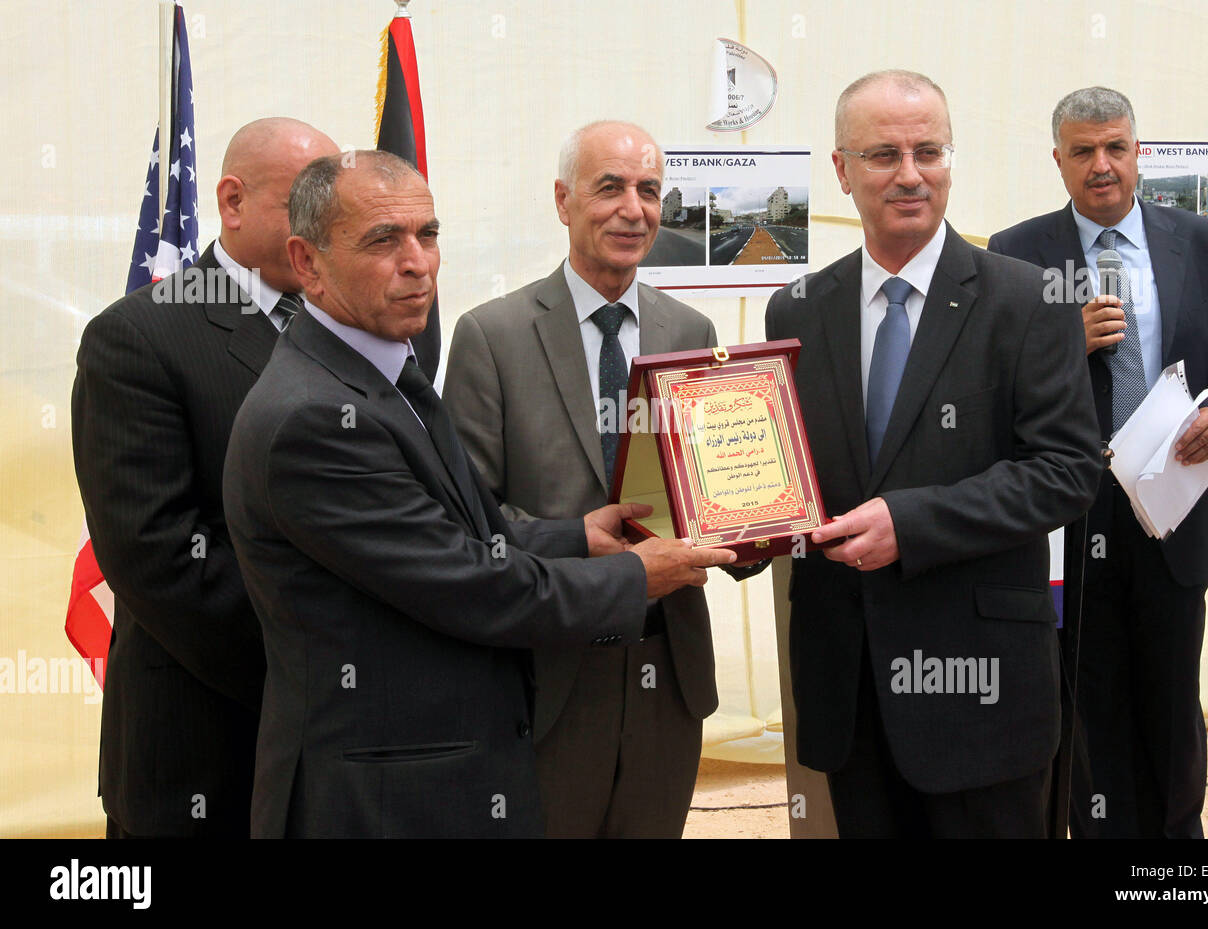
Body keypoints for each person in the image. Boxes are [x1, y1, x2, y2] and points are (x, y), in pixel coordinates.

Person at [222, 150, 735, 838]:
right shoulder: (316, 417)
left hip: (438, 771)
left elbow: (460, 528)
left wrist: (575, 536)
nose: (418, 262)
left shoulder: (382, 371)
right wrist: (632, 577)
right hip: (380, 796)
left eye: (427, 235)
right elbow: (470, 582)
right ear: (307, 261)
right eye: (383, 240)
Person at [765, 70, 1102, 838]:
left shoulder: (1029, 300)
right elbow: (787, 477)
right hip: (847, 692)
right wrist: (738, 524)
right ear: (841, 169)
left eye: (930, 151)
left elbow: (1067, 469)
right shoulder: (798, 309)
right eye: (884, 154)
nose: (911, 174)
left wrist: (911, 524)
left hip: (982, 698)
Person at [444, 121, 756, 838]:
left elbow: (713, 487)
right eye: (609, 187)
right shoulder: (491, 335)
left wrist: (756, 525)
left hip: (666, 669)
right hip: (547, 672)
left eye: (649, 191)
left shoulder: (691, 328)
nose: (633, 208)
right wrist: (581, 552)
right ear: (562, 201)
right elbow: (469, 519)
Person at [988, 86, 1208, 838]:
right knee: (1087, 704)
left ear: (1139, 151)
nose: (1102, 165)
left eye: (1116, 147)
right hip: (1070, 524)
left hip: (1175, 509)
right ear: (1059, 161)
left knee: (1172, 702)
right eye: (1083, 151)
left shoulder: (1201, 241)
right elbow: (990, 389)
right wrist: (1057, 347)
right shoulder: (1016, 253)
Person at [70, 118, 342, 837]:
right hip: (200, 755)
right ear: (232, 201)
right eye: (304, 205)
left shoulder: (362, 329)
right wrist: (322, 661)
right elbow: (157, 558)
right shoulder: (137, 337)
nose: (324, 229)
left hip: (342, 762)